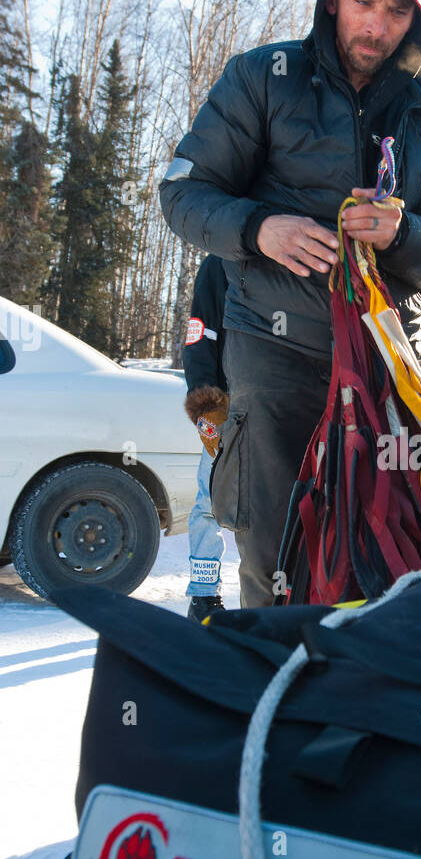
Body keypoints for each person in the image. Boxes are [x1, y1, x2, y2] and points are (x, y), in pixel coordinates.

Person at [159, 0, 421, 608]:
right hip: (274, 359)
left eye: (396, 11)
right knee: (274, 557)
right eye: (363, 2)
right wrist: (257, 228)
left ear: (415, 19)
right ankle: (272, 703)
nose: (376, 25)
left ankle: (372, 709)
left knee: (394, 559)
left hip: (389, 372)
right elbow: (182, 194)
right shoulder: (261, 78)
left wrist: (403, 234)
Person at [181, 253, 229, 621]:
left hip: (283, 402)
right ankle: (203, 595)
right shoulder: (219, 264)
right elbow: (200, 335)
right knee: (208, 506)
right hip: (228, 408)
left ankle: (286, 588)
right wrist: (207, 404)